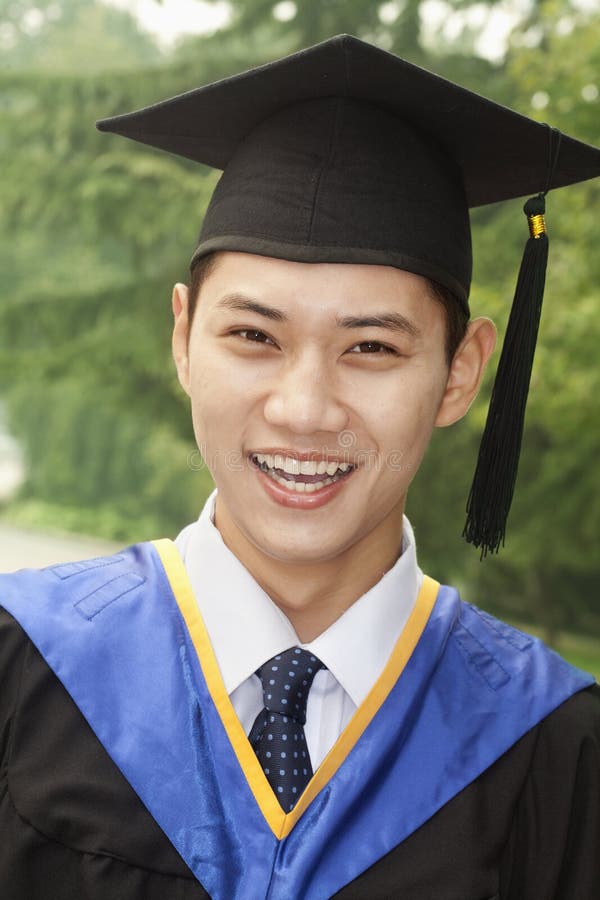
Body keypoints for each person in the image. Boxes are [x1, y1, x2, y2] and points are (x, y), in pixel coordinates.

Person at [1, 34, 599, 900]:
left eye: (371, 347)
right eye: (254, 336)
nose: (305, 407)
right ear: (182, 337)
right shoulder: (26, 667)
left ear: (460, 372)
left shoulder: (551, 748)